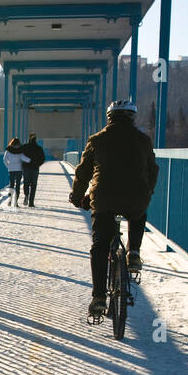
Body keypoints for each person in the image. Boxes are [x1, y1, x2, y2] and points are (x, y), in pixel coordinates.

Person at [69, 100, 159, 317]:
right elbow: (153, 170)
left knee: (100, 247)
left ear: (109, 117)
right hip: (136, 196)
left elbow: (83, 173)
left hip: (104, 199)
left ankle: (99, 297)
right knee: (137, 213)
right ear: (131, 117)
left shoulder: (97, 140)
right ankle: (134, 252)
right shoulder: (143, 140)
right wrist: (148, 191)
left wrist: (78, 196)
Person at [3, 137, 32, 207]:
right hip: (19, 170)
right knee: (18, 185)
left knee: (11, 185)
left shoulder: (8, 150)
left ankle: (9, 201)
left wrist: (8, 166)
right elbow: (25, 159)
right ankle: (16, 202)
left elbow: (4, 159)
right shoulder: (20, 151)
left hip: (11, 170)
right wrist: (32, 160)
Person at [20, 133, 46, 207]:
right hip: (35, 168)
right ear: (36, 139)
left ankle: (26, 195)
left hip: (26, 168)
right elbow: (43, 158)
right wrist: (38, 164)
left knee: (26, 183)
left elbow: (20, 155)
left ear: (29, 139)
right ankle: (31, 202)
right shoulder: (39, 148)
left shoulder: (24, 147)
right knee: (33, 185)